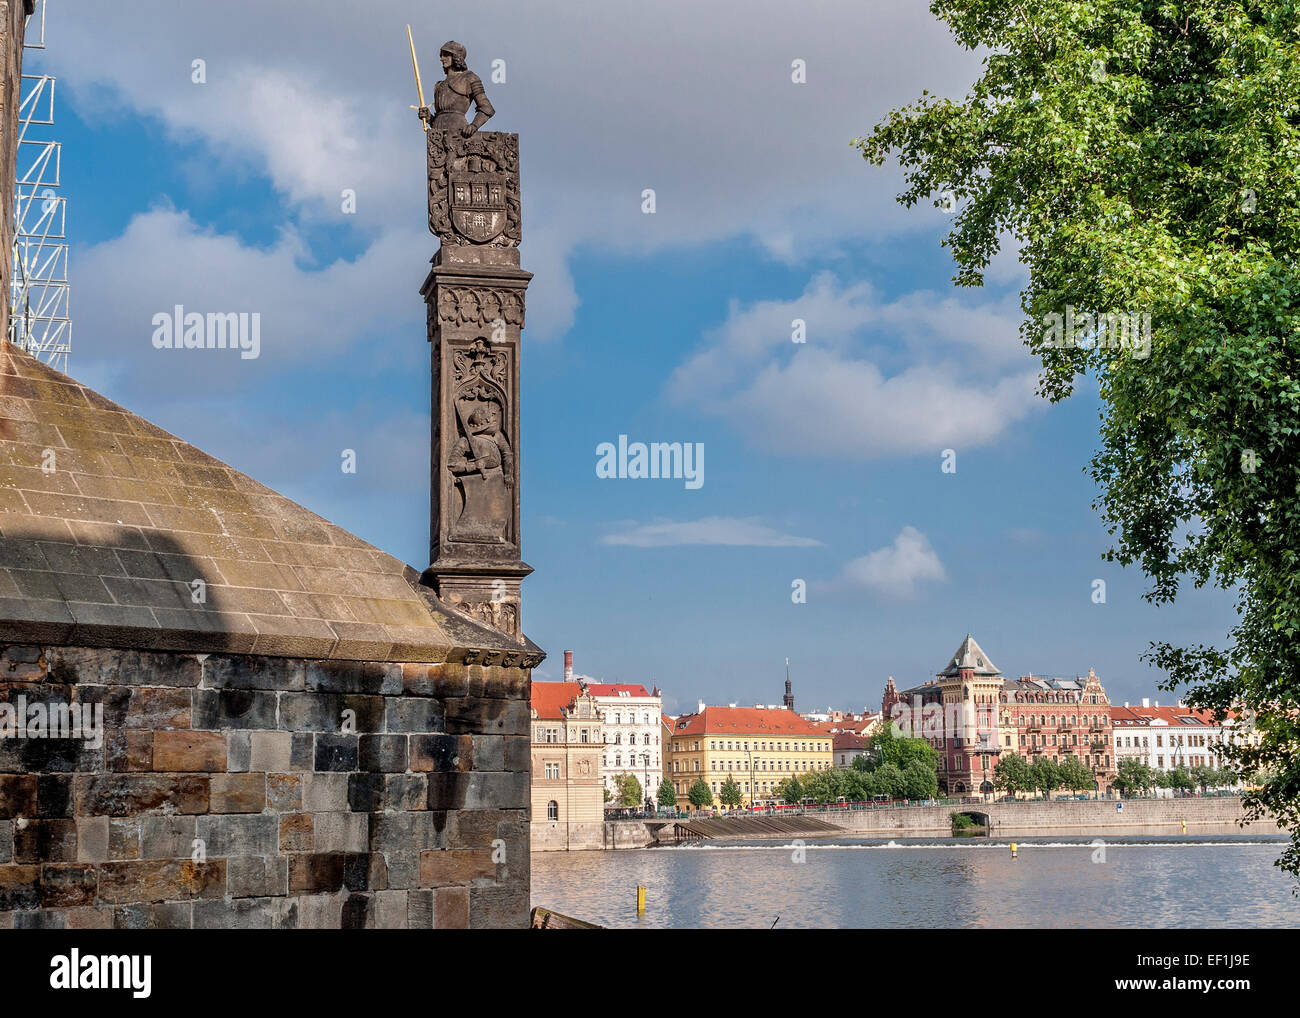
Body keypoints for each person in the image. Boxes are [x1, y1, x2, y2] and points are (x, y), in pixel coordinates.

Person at [419, 40, 494, 136]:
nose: (442, 58)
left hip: (459, 132)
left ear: (456, 56)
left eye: (446, 55)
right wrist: (429, 118)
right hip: (437, 133)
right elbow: (440, 119)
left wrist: (474, 126)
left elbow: (487, 108)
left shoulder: (469, 78)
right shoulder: (439, 85)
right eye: (441, 55)